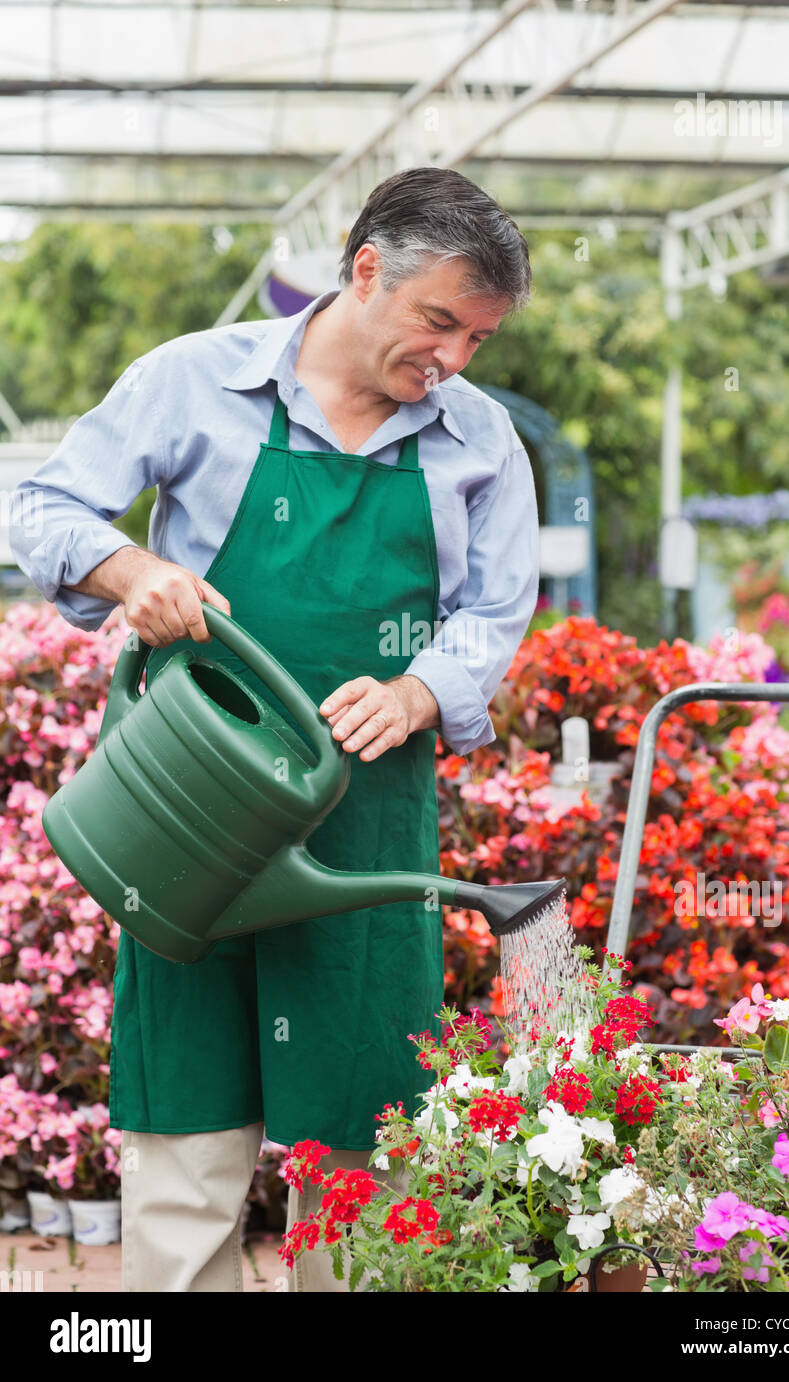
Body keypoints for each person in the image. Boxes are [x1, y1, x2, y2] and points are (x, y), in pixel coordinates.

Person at [10, 165, 539, 1292]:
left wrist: (414, 693)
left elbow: (492, 614)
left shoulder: (481, 442)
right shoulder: (193, 381)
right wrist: (131, 566)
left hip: (367, 820)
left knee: (357, 1144)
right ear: (364, 271)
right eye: (436, 320)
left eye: (476, 338)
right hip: (189, 814)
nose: (450, 357)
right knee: (189, 1129)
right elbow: (40, 508)